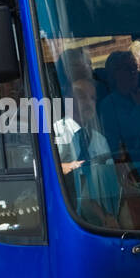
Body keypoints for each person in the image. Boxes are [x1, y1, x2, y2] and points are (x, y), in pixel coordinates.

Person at [54, 77, 119, 225]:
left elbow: (109, 185)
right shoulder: (55, 133)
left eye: (93, 98)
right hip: (67, 215)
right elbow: (47, 173)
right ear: (67, 100)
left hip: (100, 220)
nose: (88, 102)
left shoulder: (100, 140)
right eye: (81, 96)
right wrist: (68, 167)